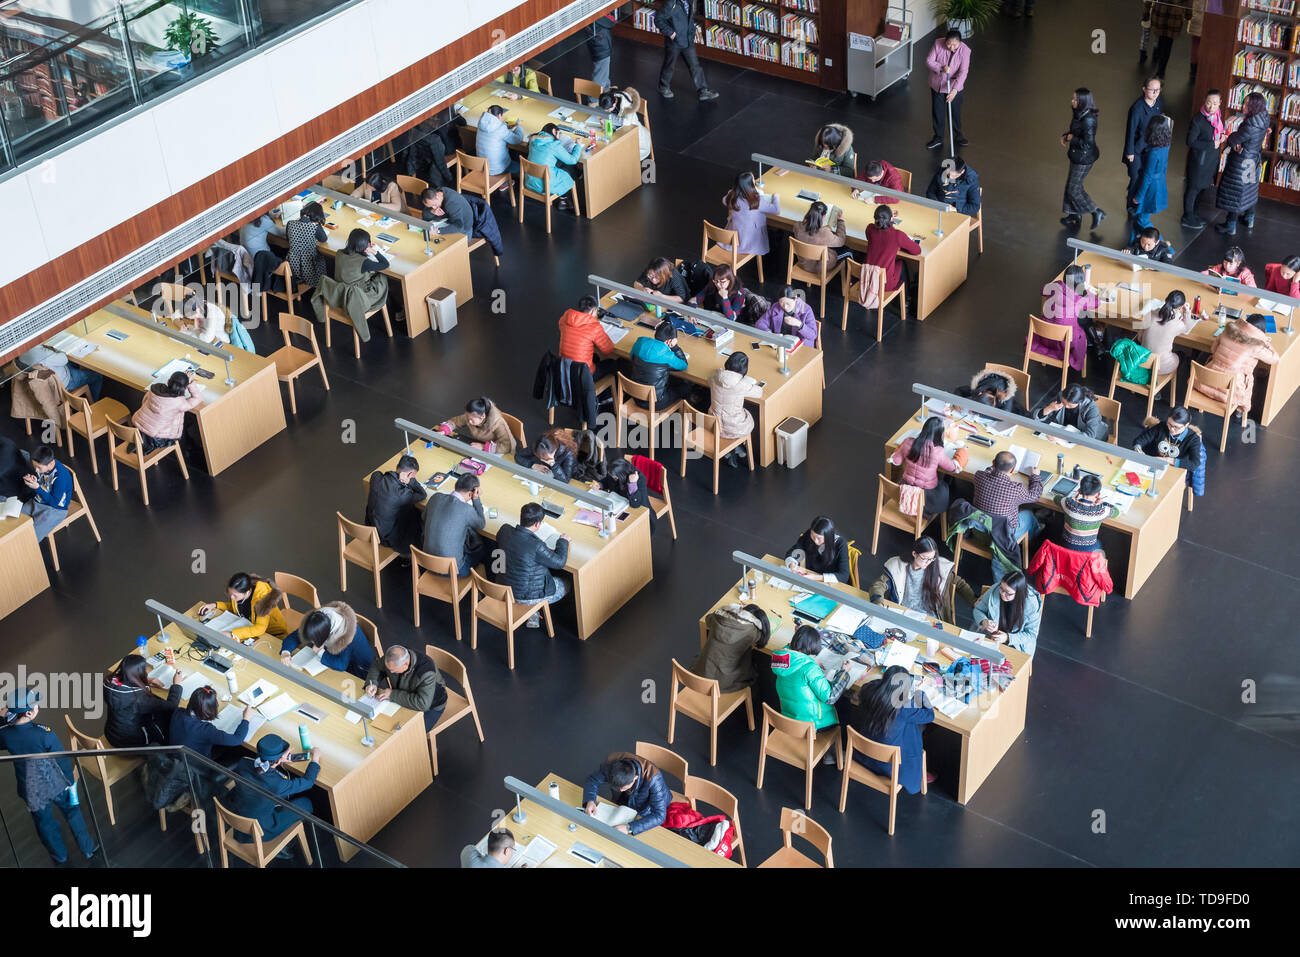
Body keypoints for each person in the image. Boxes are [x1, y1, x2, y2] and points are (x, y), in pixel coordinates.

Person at [0, 689, 99, 865]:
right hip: (55, 783)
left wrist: (2, 717)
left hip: (30, 787)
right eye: (35, 705)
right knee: (72, 811)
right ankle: (88, 848)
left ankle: (59, 855)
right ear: (29, 712)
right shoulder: (44, 733)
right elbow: (61, 761)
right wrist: (70, 782)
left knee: (44, 823)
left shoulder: (5, 734)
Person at [227, 734, 321, 848]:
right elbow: (308, 782)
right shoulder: (278, 784)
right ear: (278, 758)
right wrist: (315, 759)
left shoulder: (243, 762)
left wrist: (278, 762)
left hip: (237, 815)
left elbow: (261, 773)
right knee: (306, 803)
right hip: (260, 830)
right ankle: (286, 844)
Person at [854, 666, 934, 793]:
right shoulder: (904, 708)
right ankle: (919, 771)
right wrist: (920, 694)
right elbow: (930, 715)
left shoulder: (869, 692)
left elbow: (870, 684)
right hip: (888, 767)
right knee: (915, 727)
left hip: (864, 755)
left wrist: (884, 685)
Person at [868, 536, 976, 625]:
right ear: (914, 554)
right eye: (924, 558)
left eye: (931, 558)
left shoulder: (939, 567)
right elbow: (879, 585)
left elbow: (960, 584)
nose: (928, 562)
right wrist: (878, 603)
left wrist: (975, 603)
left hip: (930, 619)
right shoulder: (898, 566)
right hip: (903, 613)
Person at [973, 451, 1045, 578]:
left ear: (993, 463)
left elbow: (987, 471)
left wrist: (994, 466)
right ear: (1012, 470)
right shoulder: (1015, 489)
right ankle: (1031, 541)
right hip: (1002, 538)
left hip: (978, 531)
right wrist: (1035, 476)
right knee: (1028, 515)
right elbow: (1035, 495)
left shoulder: (979, 476)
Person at [497, 502, 570, 627]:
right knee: (567, 583)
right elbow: (559, 563)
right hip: (525, 596)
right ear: (537, 524)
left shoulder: (504, 530)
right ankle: (532, 608)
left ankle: (532, 613)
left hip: (503, 587)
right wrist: (563, 542)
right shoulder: (536, 545)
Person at [315, 228, 389, 343]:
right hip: (357, 299)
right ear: (365, 246)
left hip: (338, 296)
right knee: (383, 278)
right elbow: (385, 264)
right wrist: (375, 252)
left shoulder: (339, 253)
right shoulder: (364, 262)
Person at [1195, 316, 1280, 416]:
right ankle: (1239, 411)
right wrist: (1266, 343)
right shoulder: (1256, 346)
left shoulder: (1227, 332)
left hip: (1206, 382)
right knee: (1248, 378)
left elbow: (1213, 349)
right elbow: (1275, 359)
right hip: (1230, 392)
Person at [888, 415, 967, 518]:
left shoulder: (908, 442)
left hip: (905, 487)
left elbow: (896, 460)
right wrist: (962, 450)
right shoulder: (938, 451)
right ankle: (928, 514)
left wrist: (900, 449)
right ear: (940, 433)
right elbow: (953, 468)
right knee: (945, 486)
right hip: (925, 496)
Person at [1216, 91, 1269, 236]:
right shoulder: (1263, 117)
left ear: (1253, 106)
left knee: (1236, 192)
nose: (1243, 105)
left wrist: (1231, 139)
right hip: (1253, 158)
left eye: (1247, 103)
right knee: (1249, 190)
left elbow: (1233, 140)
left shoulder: (1250, 125)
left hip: (1241, 162)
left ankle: (1230, 225)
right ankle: (1249, 218)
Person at [102, 654, 182, 748]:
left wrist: (145, 681)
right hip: (131, 743)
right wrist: (176, 684)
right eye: (144, 670)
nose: (146, 672)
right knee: (167, 716)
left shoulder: (108, 683)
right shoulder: (139, 698)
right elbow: (171, 706)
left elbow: (124, 679)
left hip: (111, 733)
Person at [582, 751, 672, 834]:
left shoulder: (654, 779)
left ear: (635, 778)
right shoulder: (612, 765)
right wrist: (590, 800)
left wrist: (629, 828)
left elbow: (659, 815)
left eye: (623, 787)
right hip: (624, 802)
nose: (620, 790)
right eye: (618, 787)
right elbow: (593, 780)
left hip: (646, 809)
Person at [280, 601, 375, 679]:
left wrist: (320, 652)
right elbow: (295, 636)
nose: (312, 642)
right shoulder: (317, 621)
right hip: (335, 658)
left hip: (358, 668)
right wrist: (286, 652)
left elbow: (341, 664)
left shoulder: (345, 636)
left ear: (326, 636)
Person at [422, 473, 490, 578]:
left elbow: (424, 517)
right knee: (481, 547)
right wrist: (476, 500)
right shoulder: (466, 509)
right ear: (471, 494)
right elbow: (481, 524)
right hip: (451, 571)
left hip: (426, 562)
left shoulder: (435, 497)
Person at [366, 644, 448, 730]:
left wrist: (392, 694)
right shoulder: (394, 657)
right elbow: (377, 666)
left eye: (394, 671)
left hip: (431, 706)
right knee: (383, 726)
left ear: (406, 664)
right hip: (404, 697)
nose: (390, 672)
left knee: (411, 734)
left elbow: (423, 704)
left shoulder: (426, 673)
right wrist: (372, 683)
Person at [692, 602, 770, 692]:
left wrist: (735, 608)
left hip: (700, 674)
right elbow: (762, 638)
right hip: (722, 684)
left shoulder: (717, 618)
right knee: (753, 670)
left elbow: (707, 618)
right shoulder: (752, 632)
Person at [771, 624, 837, 730]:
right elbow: (829, 697)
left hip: (788, 718)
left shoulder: (781, 660)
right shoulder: (810, 668)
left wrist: (808, 658)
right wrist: (844, 673)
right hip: (813, 724)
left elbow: (788, 649)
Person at [1134, 407, 1205, 497]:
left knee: (1165, 492)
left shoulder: (1193, 439)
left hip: (1175, 469)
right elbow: (1140, 440)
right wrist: (1138, 449)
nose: (1171, 429)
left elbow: (1195, 463)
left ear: (1186, 425)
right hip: (1156, 465)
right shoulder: (1162, 426)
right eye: (1170, 424)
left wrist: (1168, 460)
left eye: (1176, 427)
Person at [656, 0, 719, 101]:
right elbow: (658, 19)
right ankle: (663, 87)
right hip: (674, 43)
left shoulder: (689, 2)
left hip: (687, 40)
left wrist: (692, 32)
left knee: (695, 66)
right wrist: (671, 33)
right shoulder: (670, 4)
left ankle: (703, 91)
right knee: (669, 65)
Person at [708, 351, 762, 468]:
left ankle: (731, 450)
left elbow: (709, 379)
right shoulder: (742, 384)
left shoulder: (715, 375)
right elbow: (759, 393)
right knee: (749, 415)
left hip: (713, 423)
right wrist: (748, 382)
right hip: (733, 427)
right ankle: (736, 446)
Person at [1060, 88, 1105, 229]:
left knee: (1074, 189)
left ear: (1083, 102)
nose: (1072, 101)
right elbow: (1076, 132)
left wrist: (1071, 139)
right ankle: (1074, 215)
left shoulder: (1089, 120)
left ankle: (1096, 211)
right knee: (1071, 186)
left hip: (1084, 158)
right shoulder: (1079, 113)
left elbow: (1087, 144)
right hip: (1077, 154)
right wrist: (1067, 135)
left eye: (1075, 99)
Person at [198, 572, 288, 641]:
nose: (232, 598)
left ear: (248, 592)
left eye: (235, 596)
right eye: (230, 594)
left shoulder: (263, 600)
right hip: (251, 628)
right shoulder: (240, 593)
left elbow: (260, 628)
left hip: (273, 635)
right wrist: (215, 605)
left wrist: (232, 634)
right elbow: (235, 608)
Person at [366, 453, 426, 556]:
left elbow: (377, 473)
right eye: (413, 476)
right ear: (409, 474)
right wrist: (411, 482)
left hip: (370, 527)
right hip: (385, 537)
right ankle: (412, 554)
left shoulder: (376, 478)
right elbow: (422, 494)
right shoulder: (402, 495)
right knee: (416, 514)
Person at [168, 686, 252, 760]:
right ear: (208, 710)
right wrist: (246, 719)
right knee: (240, 750)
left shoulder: (178, 712)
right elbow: (237, 740)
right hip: (198, 765)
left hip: (177, 757)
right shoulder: (206, 730)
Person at [131, 369, 203, 455]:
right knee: (187, 424)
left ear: (168, 381)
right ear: (185, 387)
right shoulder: (179, 403)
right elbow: (197, 398)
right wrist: (190, 383)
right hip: (155, 440)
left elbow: (144, 402)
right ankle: (186, 454)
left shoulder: (154, 389)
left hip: (137, 430)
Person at [972, 570, 1043, 656]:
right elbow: (978, 610)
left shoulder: (1031, 605)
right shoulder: (994, 590)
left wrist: (1007, 637)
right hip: (992, 637)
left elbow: (1031, 635)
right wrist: (984, 621)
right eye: (1001, 588)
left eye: (1008, 593)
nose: (1002, 594)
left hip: (1016, 644)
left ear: (1019, 593)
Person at [1183, 89, 1226, 229]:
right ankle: (1187, 216)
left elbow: (1217, 133)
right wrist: (1211, 144)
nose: (1211, 107)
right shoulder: (1198, 120)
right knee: (1193, 189)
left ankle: (1194, 213)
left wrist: (1222, 137)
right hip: (1198, 162)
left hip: (1211, 160)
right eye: (1208, 103)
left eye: (1215, 103)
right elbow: (1190, 141)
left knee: (1203, 189)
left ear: (1220, 103)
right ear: (1204, 101)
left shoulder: (1218, 117)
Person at [925, 29, 970, 151]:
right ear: (945, 40)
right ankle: (938, 137)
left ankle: (957, 135)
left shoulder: (965, 51)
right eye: (949, 43)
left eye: (955, 44)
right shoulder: (938, 43)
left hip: (954, 85)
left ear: (960, 42)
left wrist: (955, 90)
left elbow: (963, 72)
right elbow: (929, 61)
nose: (951, 47)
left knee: (955, 112)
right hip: (938, 84)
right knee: (937, 111)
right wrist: (941, 67)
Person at [629, 319, 689, 408]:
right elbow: (683, 365)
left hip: (635, 394)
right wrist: (675, 347)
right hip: (655, 402)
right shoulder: (667, 356)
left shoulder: (640, 343)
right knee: (686, 387)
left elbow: (631, 356)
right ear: (669, 341)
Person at [1123, 77, 1165, 205]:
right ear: (1144, 89)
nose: (1155, 93)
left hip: (1151, 146)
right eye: (1152, 90)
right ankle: (1131, 205)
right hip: (1136, 148)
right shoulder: (1137, 108)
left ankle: (1134, 195)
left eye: (1158, 90)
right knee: (1136, 177)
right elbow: (1130, 131)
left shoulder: (1158, 102)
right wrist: (1130, 152)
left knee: (1144, 176)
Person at [523, 123, 583, 211]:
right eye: (559, 134)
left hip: (530, 182)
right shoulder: (554, 145)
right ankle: (564, 199)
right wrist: (578, 145)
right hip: (545, 185)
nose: (559, 137)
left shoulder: (533, 140)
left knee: (561, 164)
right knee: (569, 169)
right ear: (554, 131)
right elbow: (572, 160)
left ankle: (564, 199)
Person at [1054, 474, 1119, 554]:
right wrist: (1103, 503)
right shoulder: (1101, 510)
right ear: (1098, 494)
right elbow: (1116, 512)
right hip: (1088, 551)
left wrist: (1073, 498)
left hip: (1066, 546)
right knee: (1099, 543)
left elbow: (1056, 498)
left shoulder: (1068, 503)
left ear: (1079, 491)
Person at [722, 170, 779, 261]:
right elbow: (775, 210)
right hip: (752, 243)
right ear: (750, 184)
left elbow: (724, 200)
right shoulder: (757, 200)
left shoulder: (732, 198)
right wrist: (776, 197)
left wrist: (732, 192)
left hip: (734, 241)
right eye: (753, 180)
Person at [19, 444, 72, 542]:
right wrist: (35, 480)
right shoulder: (44, 465)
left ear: (51, 464)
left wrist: (37, 488)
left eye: (38, 468)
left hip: (55, 510)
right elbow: (44, 481)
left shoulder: (60, 477)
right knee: (17, 520)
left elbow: (55, 502)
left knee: (31, 537)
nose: (36, 470)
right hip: (39, 501)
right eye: (34, 466)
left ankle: (23, 553)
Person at [863, 204, 921, 294]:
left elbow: (870, 236)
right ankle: (906, 300)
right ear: (891, 219)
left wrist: (888, 219)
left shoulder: (870, 228)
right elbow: (917, 251)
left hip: (867, 279)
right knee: (901, 263)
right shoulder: (897, 235)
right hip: (884, 284)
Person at [1129, 113, 1172, 235]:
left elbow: (1147, 176)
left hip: (1150, 188)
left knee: (1143, 220)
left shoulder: (1154, 153)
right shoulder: (1165, 146)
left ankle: (1162, 247)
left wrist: (1139, 196)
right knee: (1140, 219)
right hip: (1159, 184)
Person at [15, 343, 104, 400]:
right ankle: (93, 403)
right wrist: (55, 348)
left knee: (74, 362)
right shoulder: (43, 354)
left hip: (42, 382)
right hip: (64, 382)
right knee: (97, 375)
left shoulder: (20, 351)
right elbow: (64, 359)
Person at [1134, 290, 1193, 376]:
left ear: (1165, 300)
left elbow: (1140, 338)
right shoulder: (1177, 324)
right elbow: (1187, 328)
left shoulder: (1150, 314)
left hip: (1143, 361)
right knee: (1180, 355)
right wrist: (1187, 311)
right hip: (1160, 367)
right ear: (1180, 308)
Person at [558, 295, 617, 378]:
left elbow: (561, 326)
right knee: (613, 362)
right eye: (597, 312)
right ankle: (609, 390)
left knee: (595, 357)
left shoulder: (566, 318)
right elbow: (608, 349)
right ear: (593, 311)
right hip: (584, 376)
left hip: (565, 370)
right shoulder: (594, 327)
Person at [438, 396, 516, 455]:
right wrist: (443, 431)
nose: (468, 421)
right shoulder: (470, 416)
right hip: (479, 448)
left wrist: (483, 447)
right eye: (467, 417)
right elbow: (455, 422)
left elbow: (506, 446)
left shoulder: (498, 423)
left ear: (482, 416)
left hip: (498, 453)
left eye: (471, 419)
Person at [785, 515, 850, 583]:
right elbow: (793, 552)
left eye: (819, 538)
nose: (815, 541)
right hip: (808, 577)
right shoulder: (809, 535)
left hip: (829, 583)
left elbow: (844, 576)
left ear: (828, 536)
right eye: (813, 536)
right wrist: (792, 565)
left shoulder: (840, 544)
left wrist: (815, 577)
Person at [599, 457, 656, 532]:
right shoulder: (614, 473)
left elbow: (637, 504)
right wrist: (600, 485)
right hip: (619, 508)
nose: (613, 478)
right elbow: (608, 481)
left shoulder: (640, 479)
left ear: (622, 475)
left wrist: (632, 484)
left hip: (641, 517)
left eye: (615, 477)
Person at [599, 86, 653, 163]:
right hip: (619, 131)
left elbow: (626, 122)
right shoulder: (609, 96)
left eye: (608, 109)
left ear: (614, 104)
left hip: (636, 138)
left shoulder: (626, 104)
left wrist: (607, 118)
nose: (606, 111)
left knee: (616, 157)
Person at [1037, 383, 1108, 440]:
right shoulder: (1061, 397)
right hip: (1066, 432)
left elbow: (1090, 434)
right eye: (1064, 403)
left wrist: (1061, 437)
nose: (1066, 406)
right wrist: (1049, 408)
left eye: (1070, 405)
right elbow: (1036, 418)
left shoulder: (1091, 407)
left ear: (1079, 402)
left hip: (1089, 438)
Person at [793, 201, 847, 271]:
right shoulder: (825, 233)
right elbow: (841, 240)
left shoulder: (797, 226)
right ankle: (850, 281)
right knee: (848, 251)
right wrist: (840, 221)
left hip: (803, 264)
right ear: (823, 217)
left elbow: (805, 229)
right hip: (820, 268)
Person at [1146, 0, 1191, 78]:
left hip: (1160, 10)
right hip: (1175, 14)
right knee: (1167, 44)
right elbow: (1189, 2)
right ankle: (1161, 71)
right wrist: (1188, 14)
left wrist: (1147, 9)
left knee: (1161, 38)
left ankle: (1157, 57)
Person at [477, 105, 525, 177]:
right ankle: (504, 183)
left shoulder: (481, 123)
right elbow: (517, 140)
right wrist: (519, 127)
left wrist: (505, 125)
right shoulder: (501, 129)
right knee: (521, 169)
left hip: (481, 165)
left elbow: (495, 127)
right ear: (499, 115)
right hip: (496, 169)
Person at [239, 213, 285, 290]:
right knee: (283, 250)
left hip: (247, 256)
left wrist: (271, 215)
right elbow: (281, 233)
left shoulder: (247, 216)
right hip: (260, 259)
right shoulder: (264, 221)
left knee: (277, 247)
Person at [961, 368, 1029, 416]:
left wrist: (980, 415)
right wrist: (957, 404)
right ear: (980, 393)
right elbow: (960, 390)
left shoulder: (1006, 395)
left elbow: (1003, 416)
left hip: (1016, 415)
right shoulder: (978, 388)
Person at [587, 11, 616, 95]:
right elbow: (612, 21)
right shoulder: (597, 12)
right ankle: (593, 100)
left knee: (603, 72)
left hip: (596, 43)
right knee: (600, 74)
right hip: (601, 46)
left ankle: (606, 92)